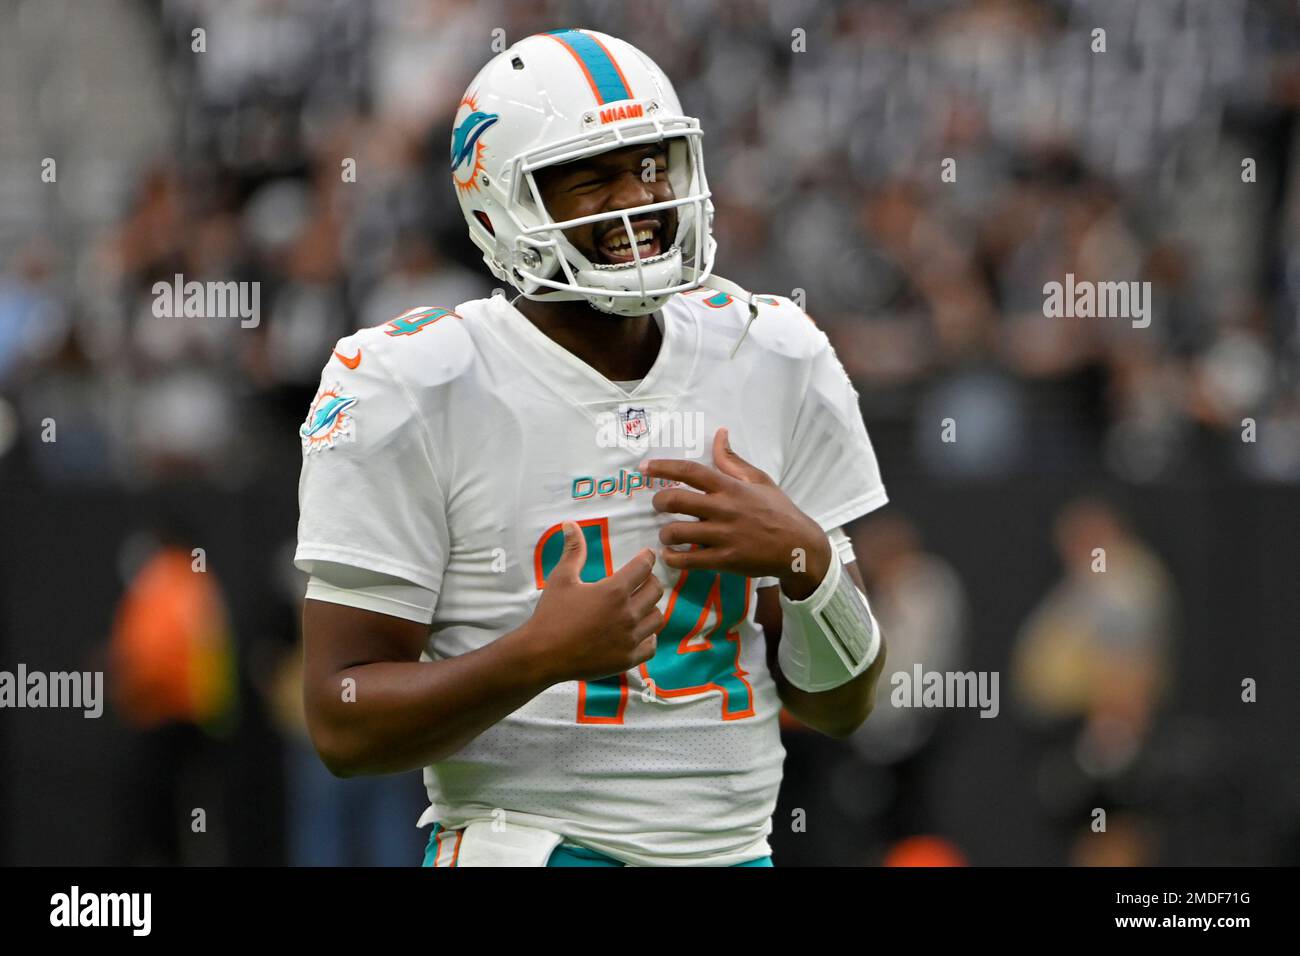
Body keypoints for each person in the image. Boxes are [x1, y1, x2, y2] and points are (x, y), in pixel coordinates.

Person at [295, 29, 890, 867]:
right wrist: (536, 657)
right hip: (529, 846)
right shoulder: (415, 381)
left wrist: (805, 563)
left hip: (738, 855)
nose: (638, 200)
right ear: (502, 206)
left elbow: (843, 707)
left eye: (652, 167)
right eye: (591, 178)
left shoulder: (771, 351)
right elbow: (341, 719)